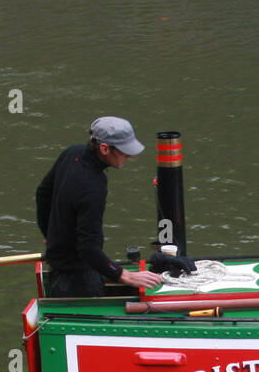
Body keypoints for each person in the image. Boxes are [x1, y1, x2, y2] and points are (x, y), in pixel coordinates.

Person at [36, 116, 164, 297]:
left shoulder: (72, 153)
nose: (130, 155)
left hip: (59, 268)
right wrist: (124, 275)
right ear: (104, 148)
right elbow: (88, 248)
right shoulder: (93, 185)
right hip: (78, 280)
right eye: (124, 150)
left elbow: (42, 194)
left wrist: (49, 236)